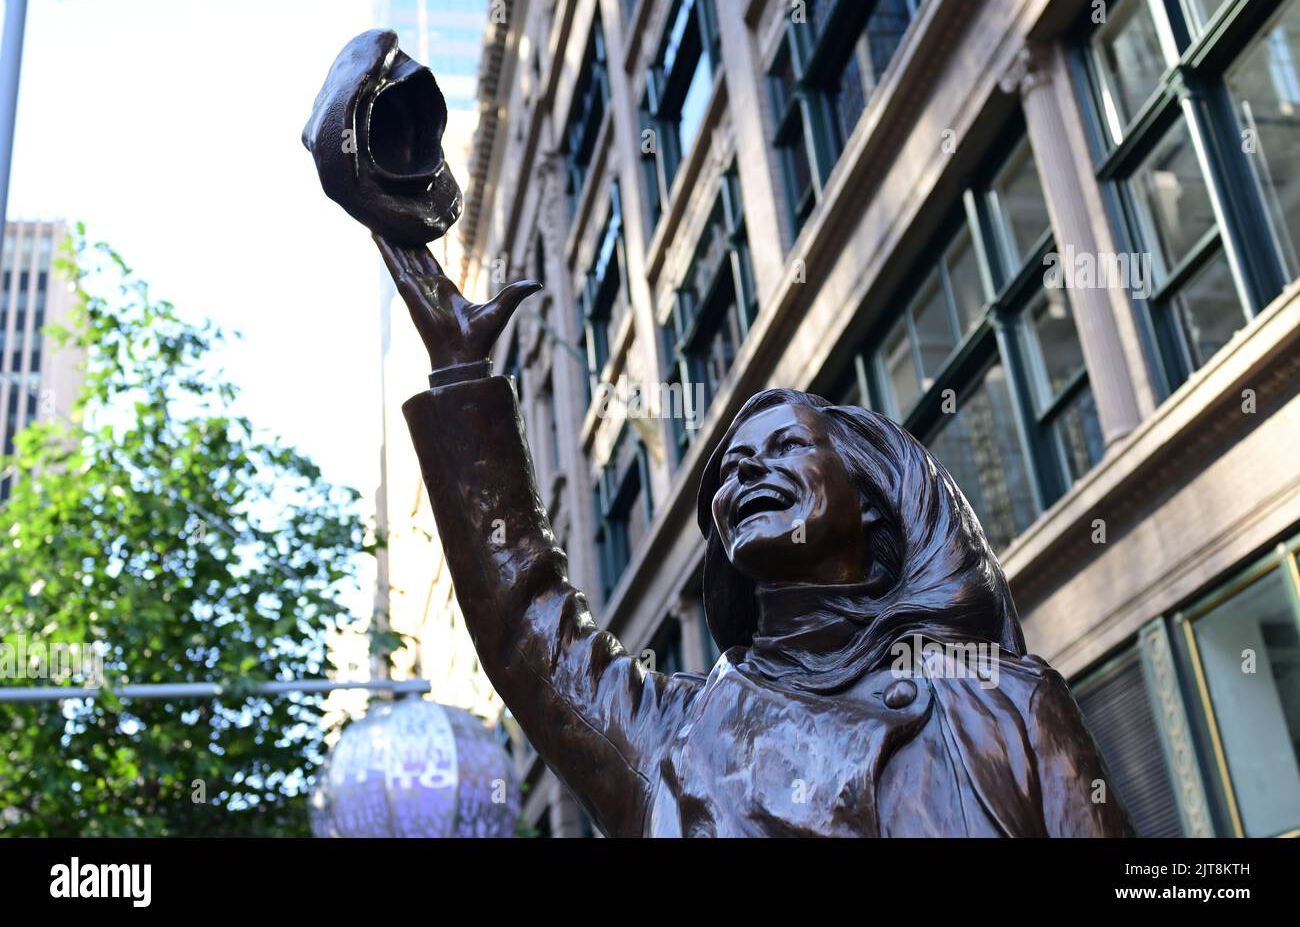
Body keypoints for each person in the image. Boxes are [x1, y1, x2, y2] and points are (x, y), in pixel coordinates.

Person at [381, 236, 1134, 838]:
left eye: (783, 451)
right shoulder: (672, 735)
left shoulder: (1003, 702)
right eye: (733, 468)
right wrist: (460, 372)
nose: (747, 474)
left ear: (872, 499)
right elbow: (525, 623)